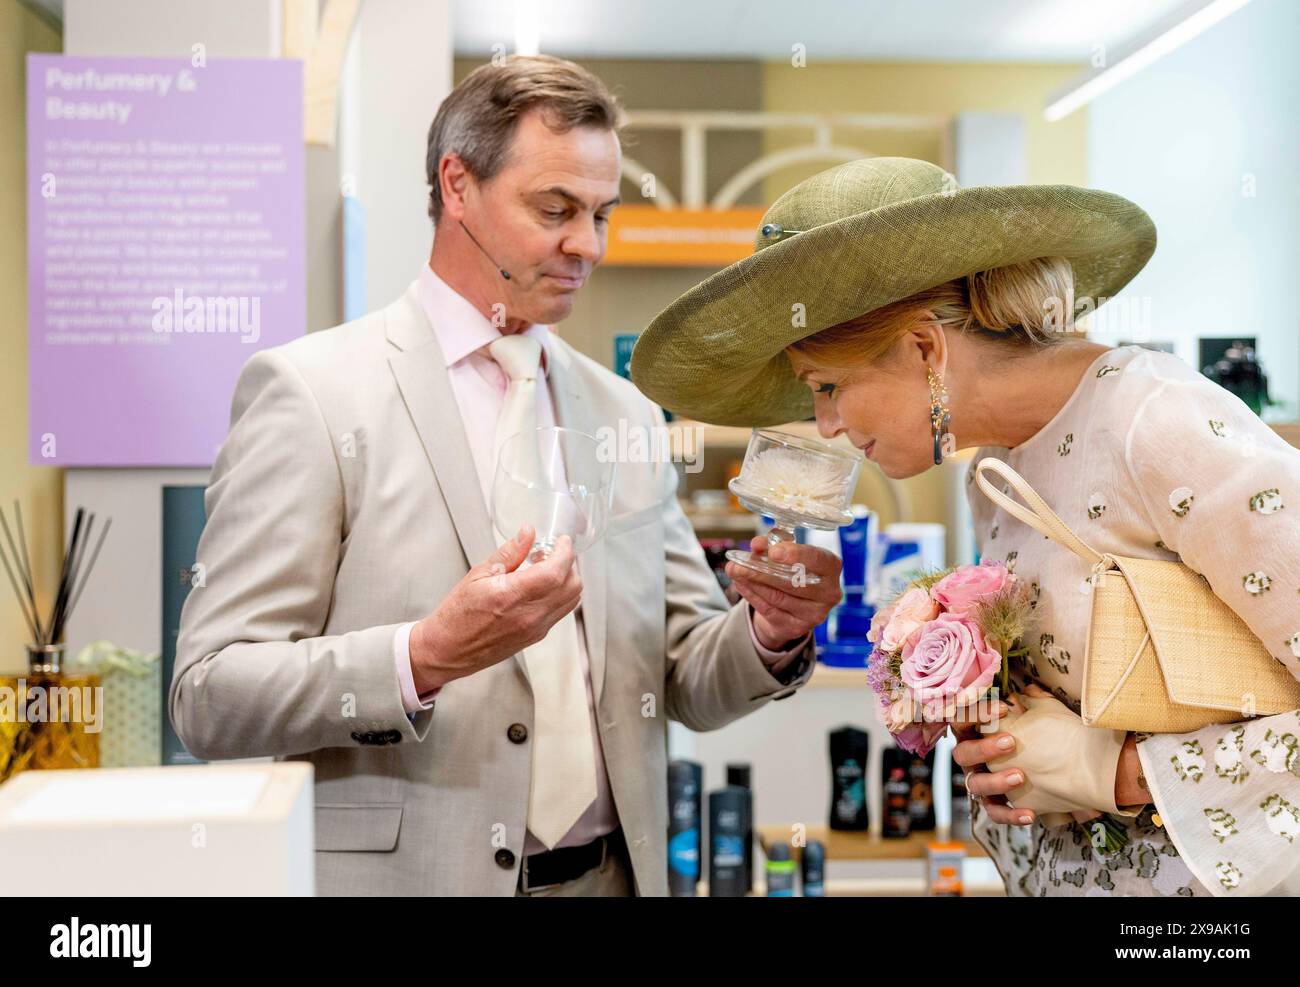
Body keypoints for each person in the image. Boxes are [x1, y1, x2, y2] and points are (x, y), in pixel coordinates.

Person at [170, 54, 841, 897]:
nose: (587, 245)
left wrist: (770, 630)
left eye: (601, 213)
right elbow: (208, 694)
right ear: (457, 185)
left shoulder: (624, 413)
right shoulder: (313, 393)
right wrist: (424, 656)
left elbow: (683, 675)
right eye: (555, 208)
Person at [631, 155, 1300, 897]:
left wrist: (1111, 771)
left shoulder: (1154, 419)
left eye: (828, 386)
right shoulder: (997, 471)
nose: (824, 423)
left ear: (924, 347)